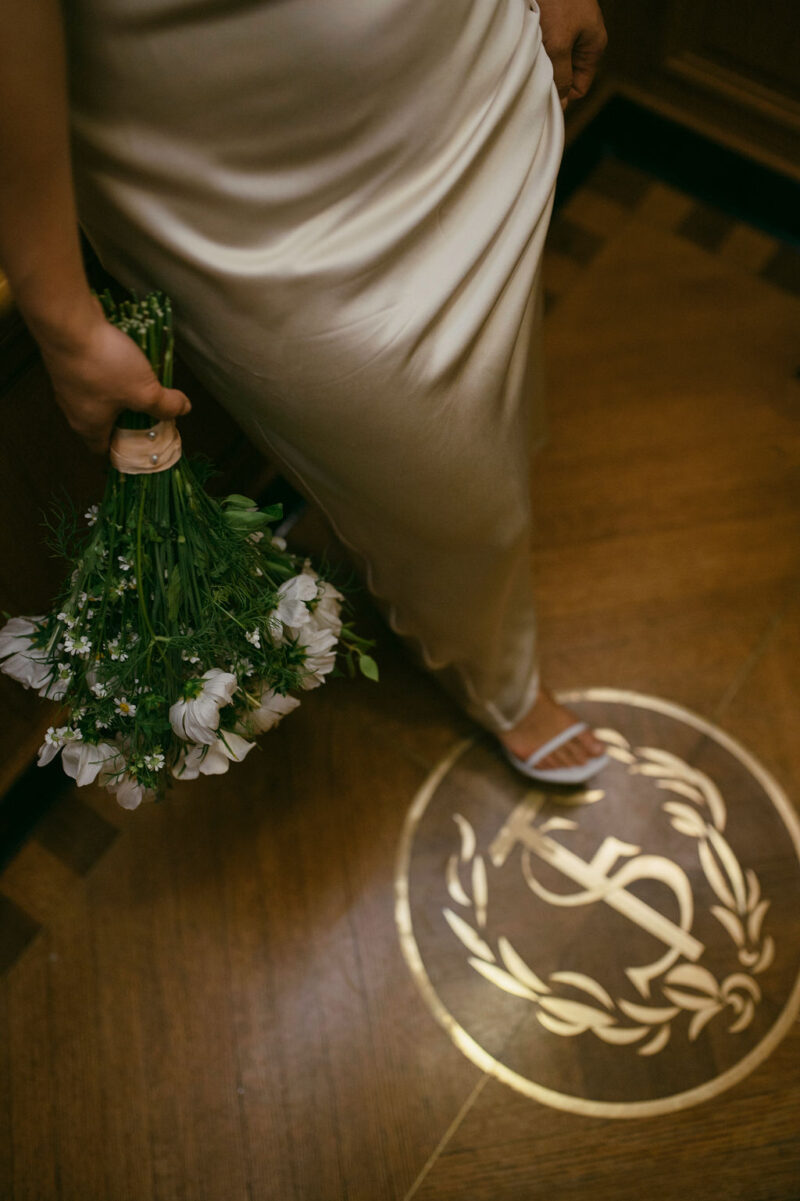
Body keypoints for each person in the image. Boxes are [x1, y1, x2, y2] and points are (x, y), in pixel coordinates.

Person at [0, 0, 609, 783]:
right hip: (258, 190)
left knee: (491, 396)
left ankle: (457, 508)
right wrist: (63, 321)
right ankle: (497, 672)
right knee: (443, 476)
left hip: (468, 67)